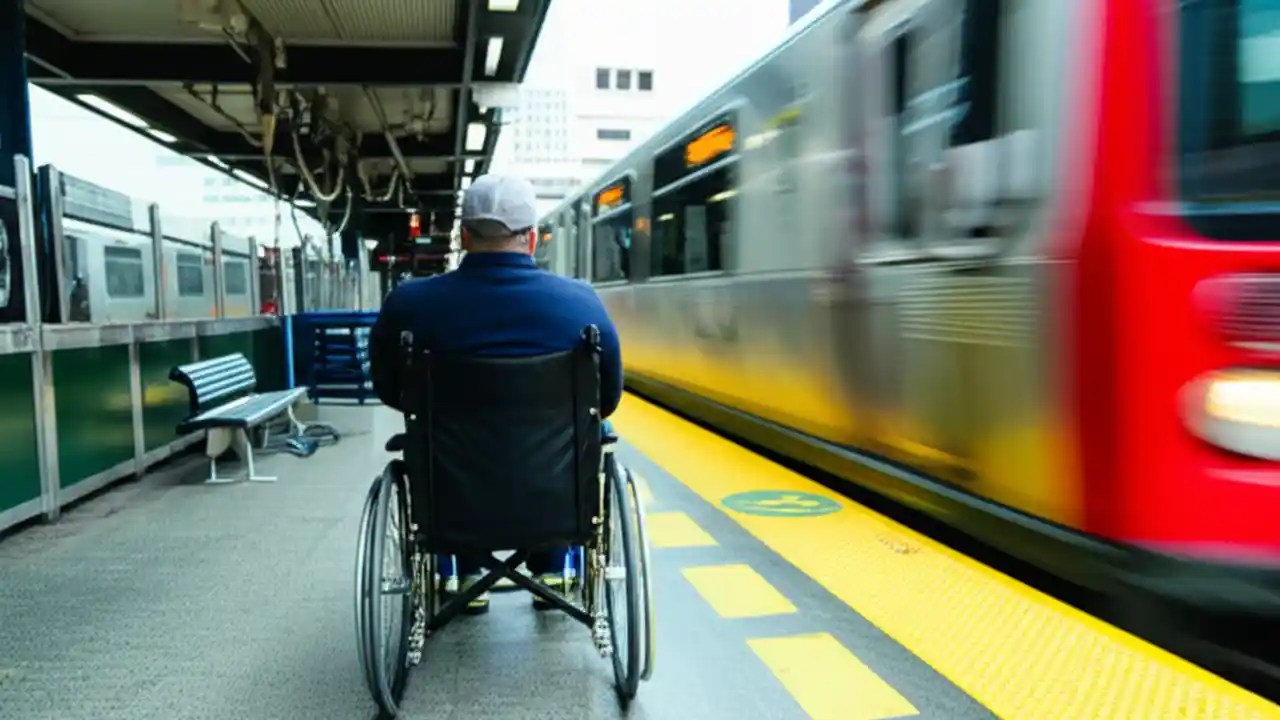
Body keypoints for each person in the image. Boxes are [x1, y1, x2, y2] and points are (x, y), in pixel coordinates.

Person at [369, 174, 623, 614]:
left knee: (444, 438)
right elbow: (609, 395)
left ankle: (467, 575)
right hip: (556, 501)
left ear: (464, 234)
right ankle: (553, 571)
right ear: (534, 238)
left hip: (450, 503)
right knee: (582, 430)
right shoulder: (581, 303)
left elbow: (390, 388)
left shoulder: (408, 303)